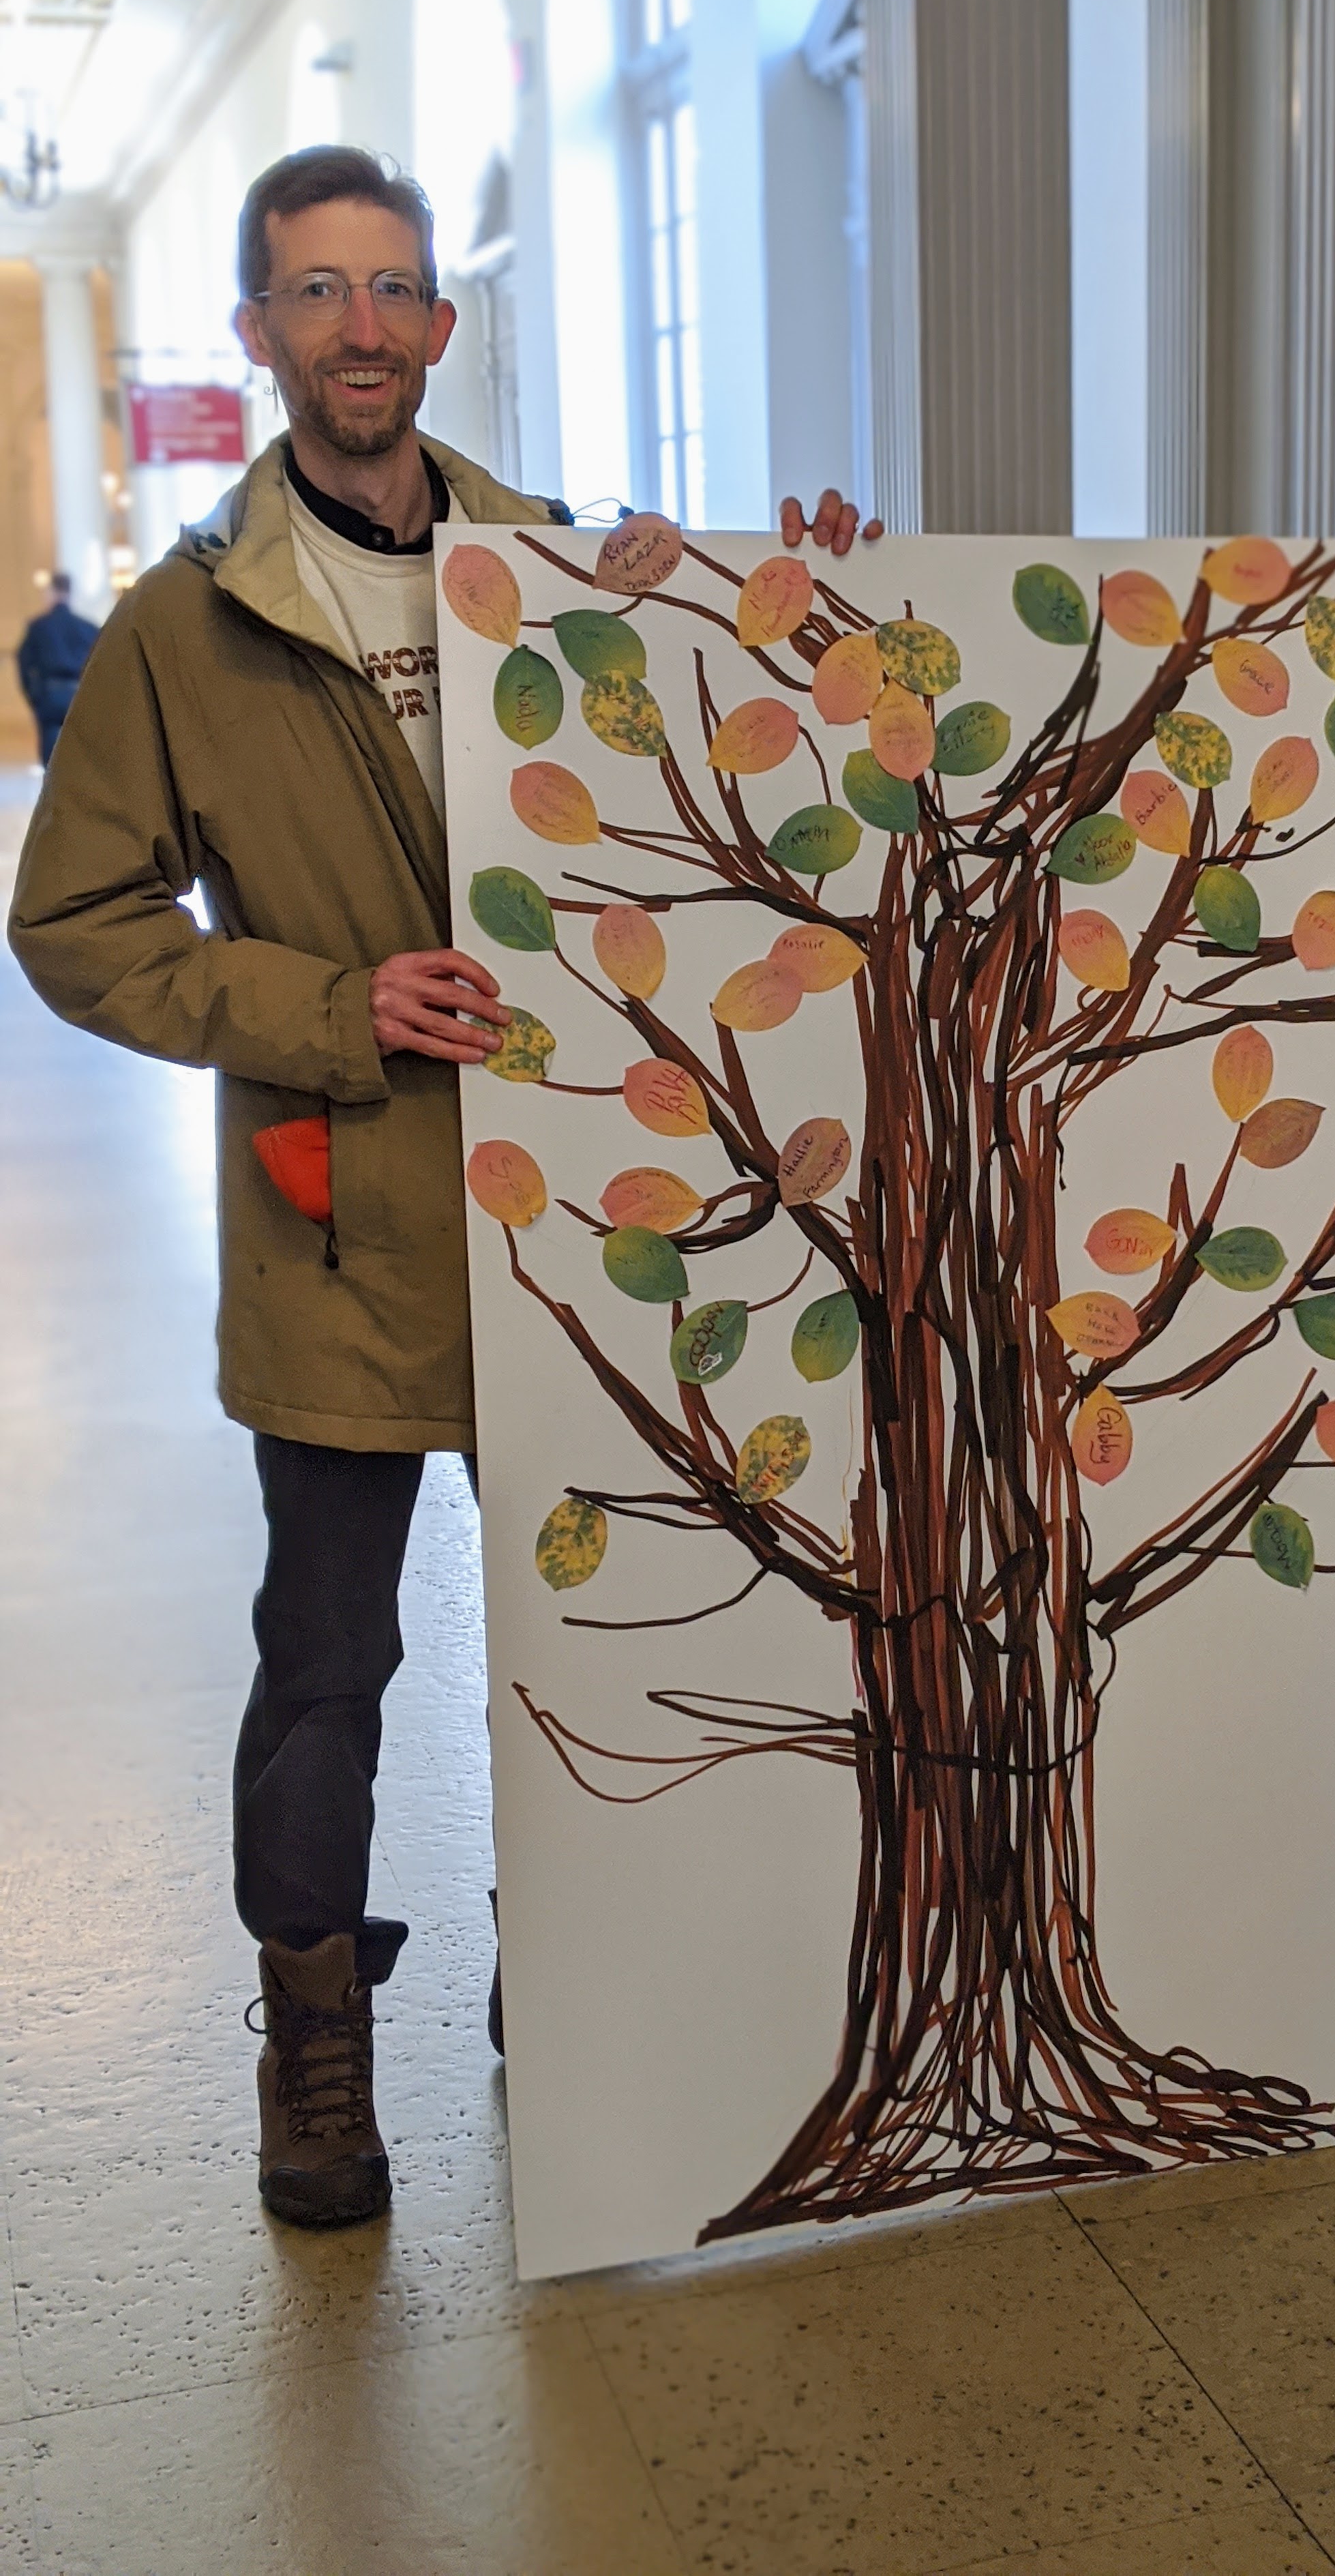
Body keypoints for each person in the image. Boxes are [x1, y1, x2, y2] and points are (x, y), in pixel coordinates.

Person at [7, 141, 877, 2233]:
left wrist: (832, 606)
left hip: (585, 1219)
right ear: (259, 335)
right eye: (315, 294)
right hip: (342, 1234)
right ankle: (316, 2051)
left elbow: (760, 784)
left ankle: (563, 1960)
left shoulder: (569, 567)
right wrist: (328, 1002)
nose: (362, 328)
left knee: (587, 1626)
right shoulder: (184, 629)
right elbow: (76, 922)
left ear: (442, 321)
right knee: (328, 1657)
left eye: (393, 288)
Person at [16, 571, 100, 765]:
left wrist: (34, 695)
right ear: (71, 594)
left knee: (51, 756)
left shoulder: (38, 627)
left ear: (52, 592)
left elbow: (24, 665)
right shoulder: (88, 628)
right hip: (80, 695)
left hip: (50, 694)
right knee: (81, 752)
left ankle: (54, 793)